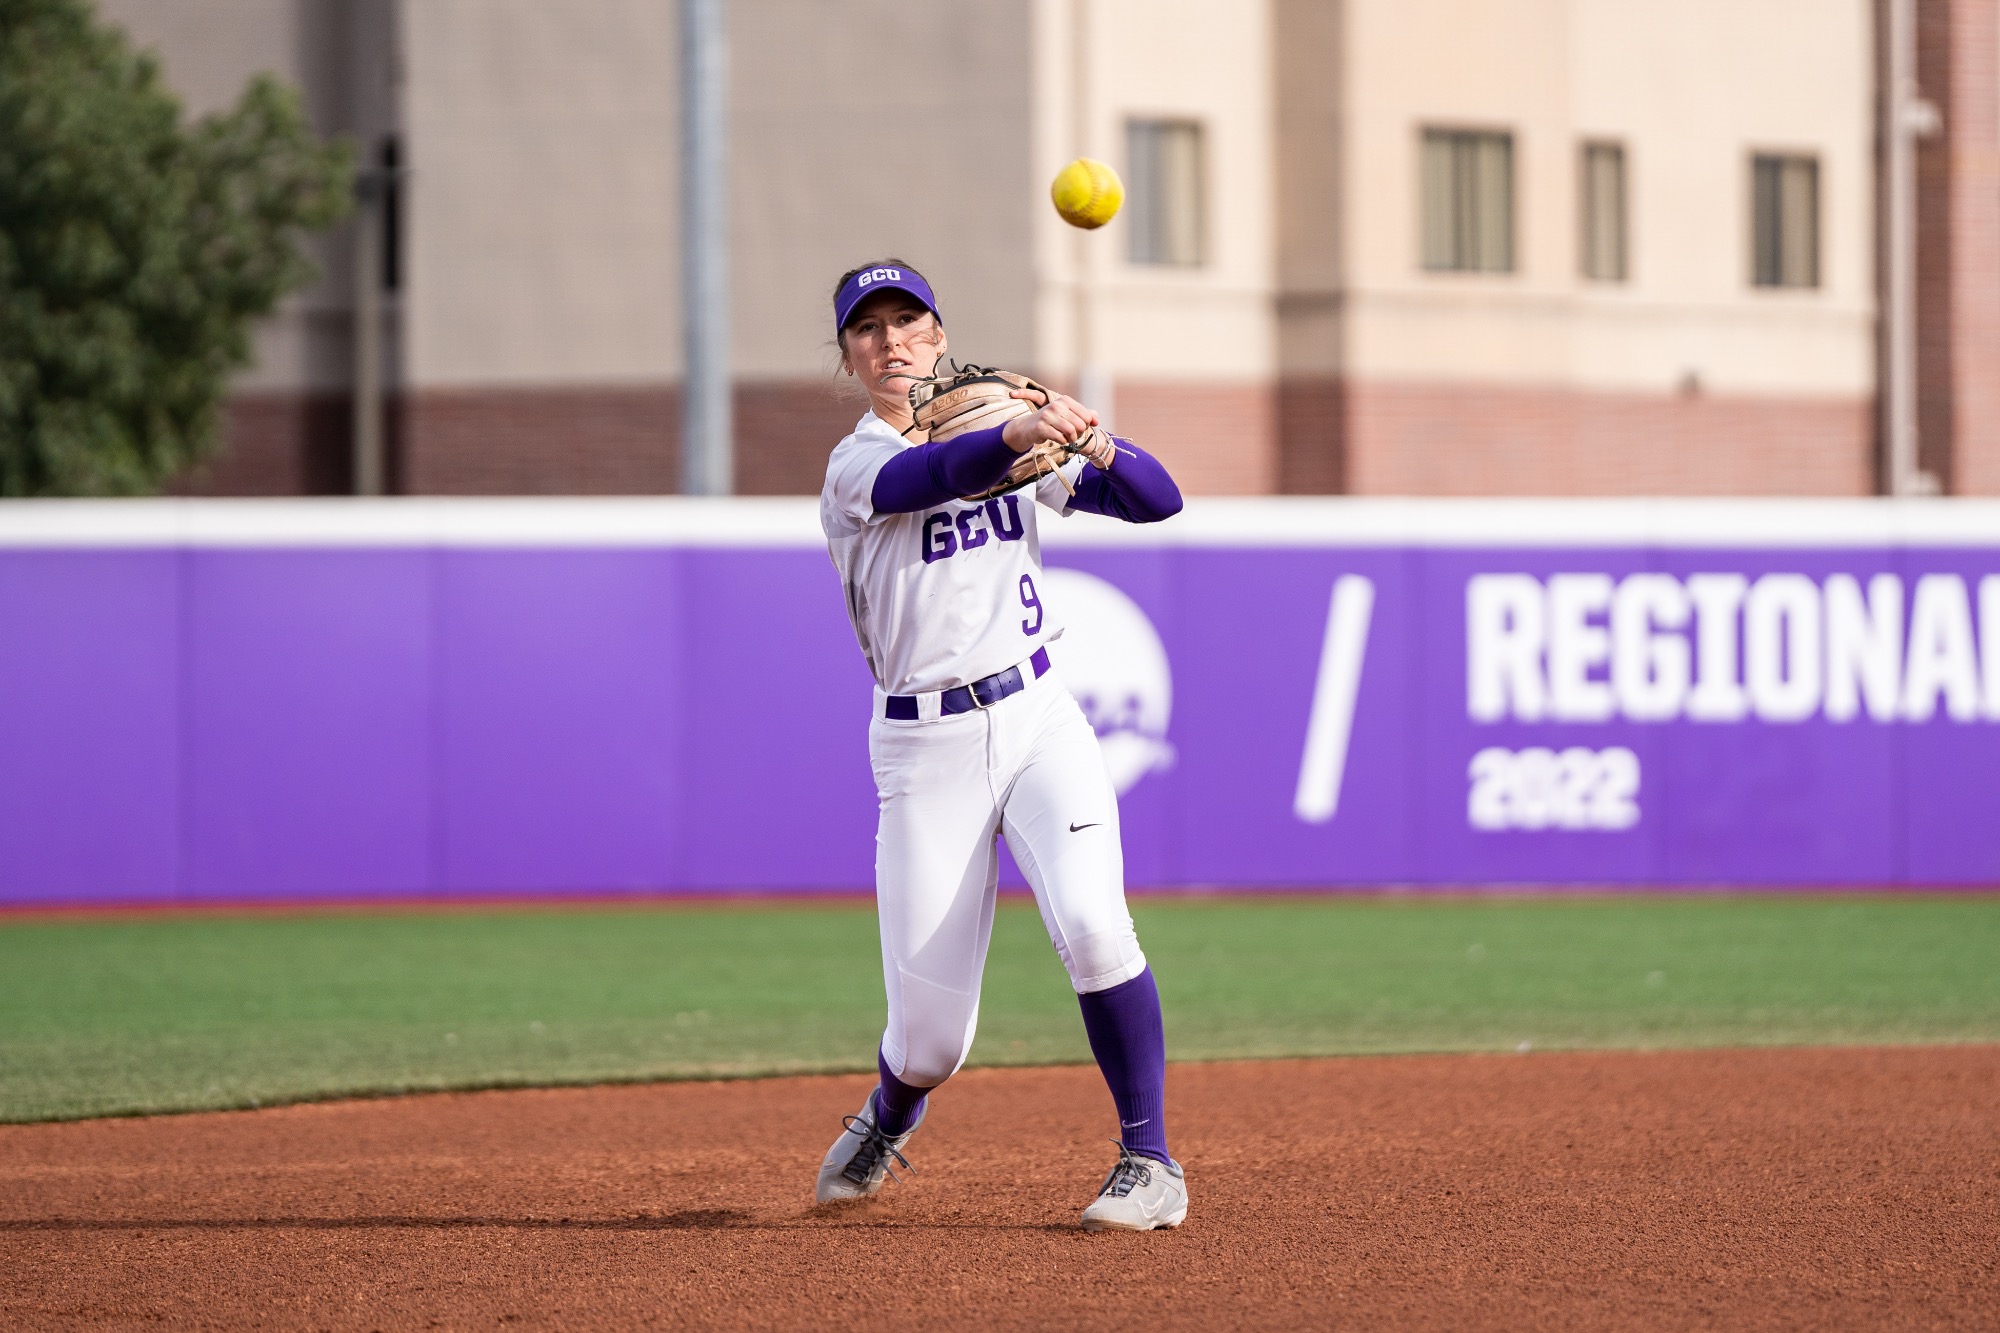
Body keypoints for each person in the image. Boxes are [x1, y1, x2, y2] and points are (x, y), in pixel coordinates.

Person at [814, 259, 1188, 1231]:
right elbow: (931, 473)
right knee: (933, 1041)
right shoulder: (854, 466)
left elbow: (1157, 500)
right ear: (849, 357)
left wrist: (1085, 433)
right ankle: (892, 1110)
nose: (891, 340)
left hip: (1036, 717)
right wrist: (1016, 432)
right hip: (919, 749)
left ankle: (1148, 1162)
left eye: (909, 321)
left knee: (1096, 925)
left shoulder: (997, 429)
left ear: (938, 337)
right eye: (869, 329)